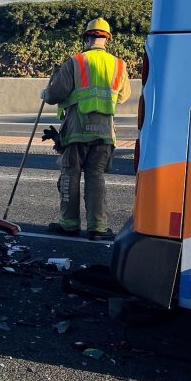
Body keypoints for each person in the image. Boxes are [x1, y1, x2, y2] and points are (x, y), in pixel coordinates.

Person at [41, 17, 131, 240]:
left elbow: (56, 94)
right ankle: (98, 227)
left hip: (77, 130)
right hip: (104, 132)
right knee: (96, 176)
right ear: (107, 39)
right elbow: (123, 96)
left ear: (87, 38)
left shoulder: (76, 62)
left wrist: (46, 93)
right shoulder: (119, 65)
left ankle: (69, 224)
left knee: (70, 175)